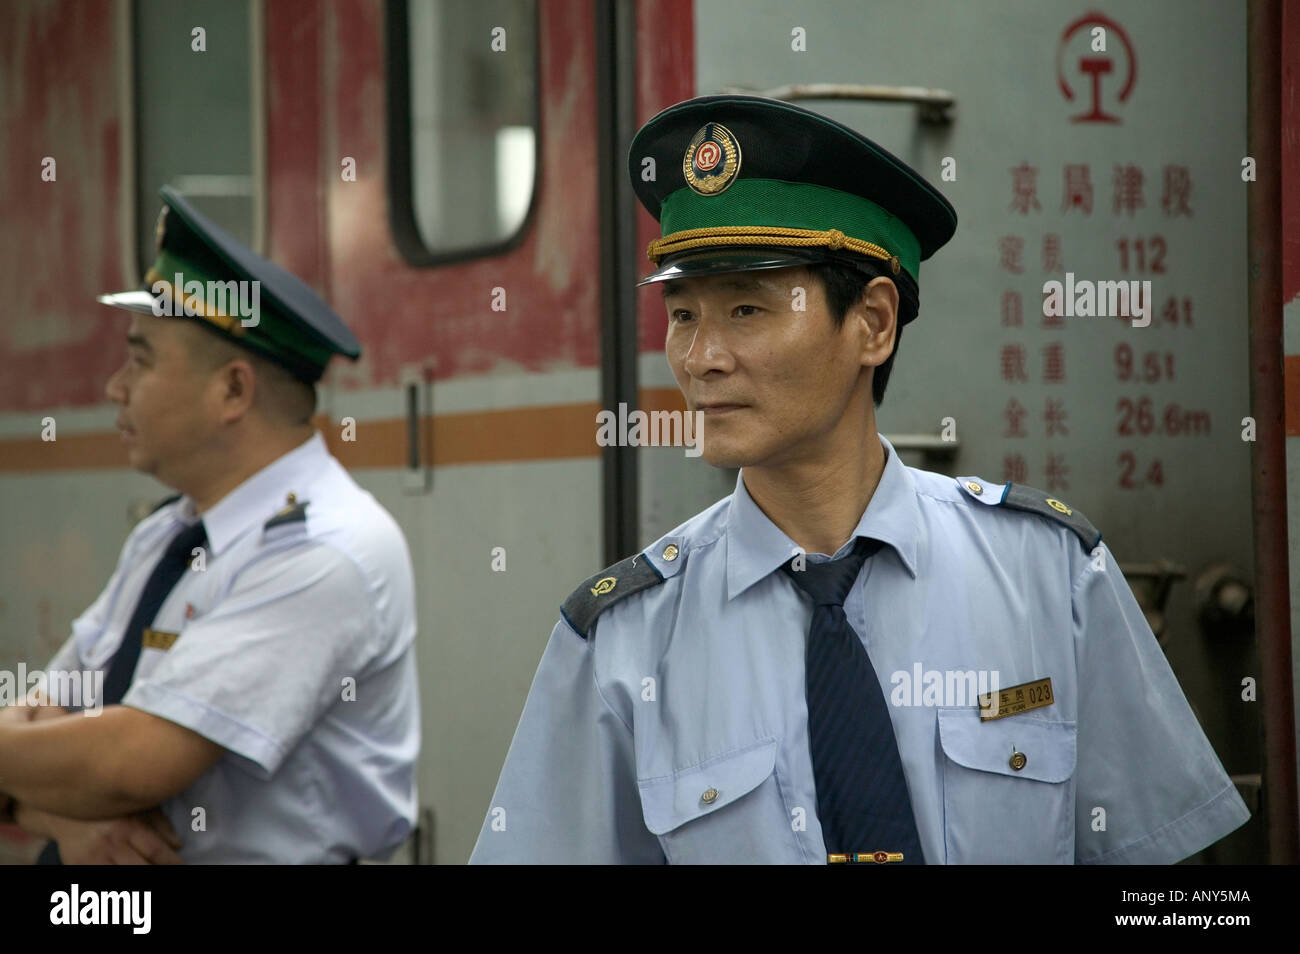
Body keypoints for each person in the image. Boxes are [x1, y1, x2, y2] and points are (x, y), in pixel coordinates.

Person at [468, 95, 1250, 864]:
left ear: (873, 322)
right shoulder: (623, 646)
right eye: (683, 315)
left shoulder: (1048, 579)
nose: (701, 358)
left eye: (746, 309)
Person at [0, 187, 420, 864]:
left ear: (232, 391)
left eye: (140, 360)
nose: (115, 387)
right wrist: (60, 819)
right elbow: (47, 720)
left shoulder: (328, 549)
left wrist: (49, 780)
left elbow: (128, 763)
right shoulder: (169, 535)